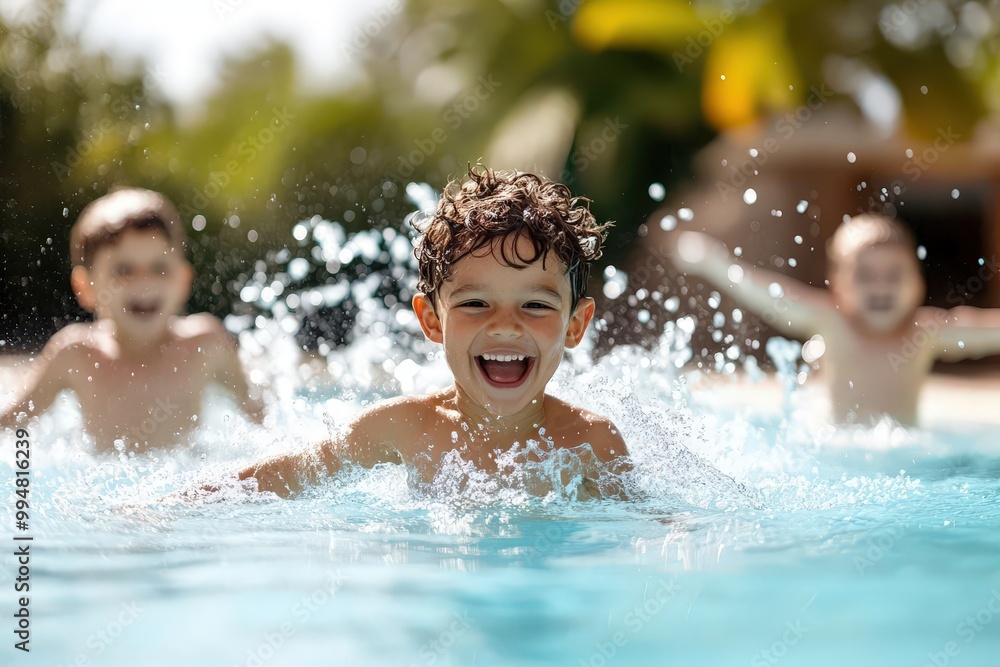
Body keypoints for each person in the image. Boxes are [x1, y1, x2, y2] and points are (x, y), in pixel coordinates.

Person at [236, 167, 629, 498]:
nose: (506, 325)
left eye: (536, 305)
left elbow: (647, 529)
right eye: (475, 303)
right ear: (432, 321)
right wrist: (181, 505)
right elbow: (278, 480)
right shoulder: (404, 428)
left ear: (575, 325)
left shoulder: (591, 444)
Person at [669, 212, 1000, 425]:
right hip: (841, 451)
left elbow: (985, 330)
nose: (880, 286)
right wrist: (715, 264)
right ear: (838, 285)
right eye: (865, 275)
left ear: (918, 283)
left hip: (904, 455)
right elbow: (773, 296)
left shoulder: (924, 331)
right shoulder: (832, 322)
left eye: (894, 274)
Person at [0, 187, 264, 451]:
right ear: (86, 287)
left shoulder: (205, 345)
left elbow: (263, 419)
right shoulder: (76, 355)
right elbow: (11, 420)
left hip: (190, 489)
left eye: (159, 269)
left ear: (183, 280)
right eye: (123, 271)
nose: (144, 284)